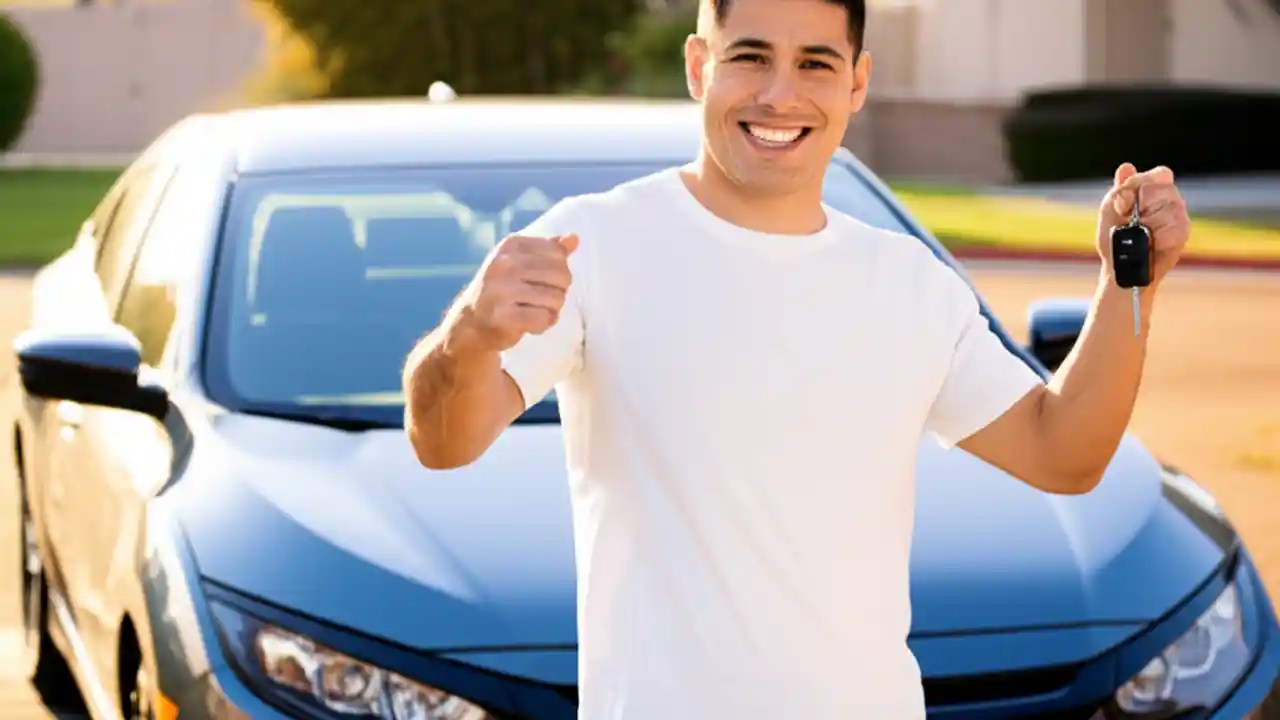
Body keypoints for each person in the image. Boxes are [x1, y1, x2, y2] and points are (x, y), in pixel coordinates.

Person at [401, 0, 1192, 716]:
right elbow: (444, 443)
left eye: (815, 62)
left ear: (857, 83)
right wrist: (468, 333)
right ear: (698, 65)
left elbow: (1066, 453)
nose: (781, 95)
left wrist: (1132, 289)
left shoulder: (911, 284)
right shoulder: (594, 244)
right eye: (750, 56)